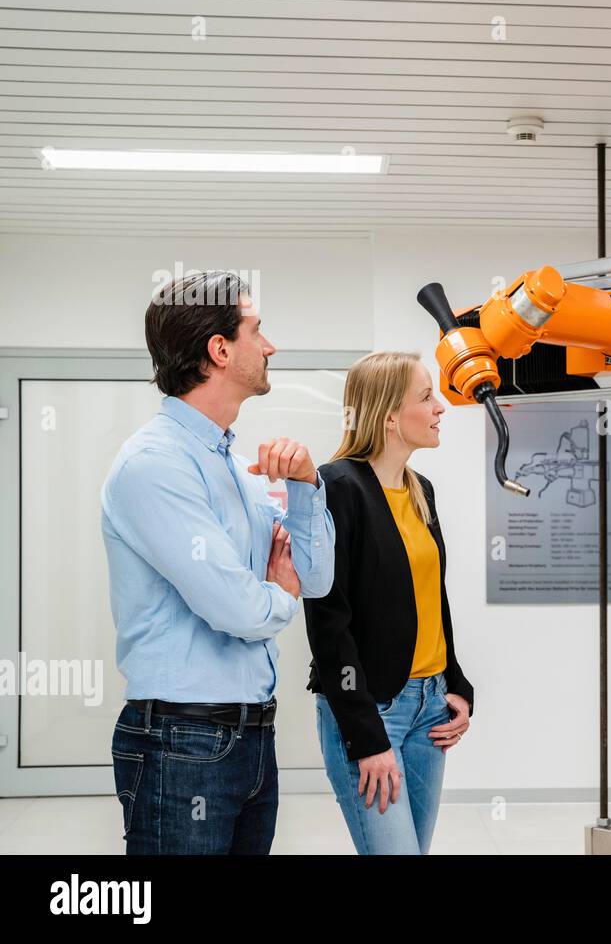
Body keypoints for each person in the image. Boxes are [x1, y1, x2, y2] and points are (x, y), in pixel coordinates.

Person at [102, 270, 335, 855]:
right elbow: (239, 607)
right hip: (183, 743)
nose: (271, 345)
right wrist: (279, 593)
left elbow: (317, 577)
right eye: (258, 330)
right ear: (220, 349)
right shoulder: (154, 465)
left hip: (250, 736)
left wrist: (308, 487)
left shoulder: (236, 469)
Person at [304, 351, 474, 855]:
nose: (441, 406)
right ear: (389, 416)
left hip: (430, 707)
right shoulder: (336, 486)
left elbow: (431, 599)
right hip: (370, 709)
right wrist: (365, 736)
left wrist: (456, 684)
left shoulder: (422, 490)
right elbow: (328, 622)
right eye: (427, 396)